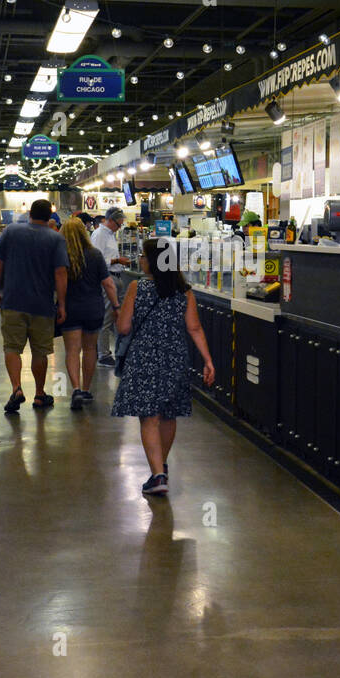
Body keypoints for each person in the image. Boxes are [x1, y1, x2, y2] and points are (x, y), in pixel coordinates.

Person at [111, 237, 214, 496]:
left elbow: (123, 327)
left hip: (144, 357)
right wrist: (208, 360)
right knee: (168, 414)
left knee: (149, 417)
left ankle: (157, 474)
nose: (141, 261)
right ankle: (161, 469)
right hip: (175, 357)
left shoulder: (137, 287)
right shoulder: (185, 291)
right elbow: (194, 328)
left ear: (153, 261)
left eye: (144, 257)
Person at [0, 198, 68, 413]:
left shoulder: (11, 231)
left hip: (13, 301)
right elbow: (60, 273)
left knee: (12, 347)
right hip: (42, 305)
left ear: (30, 213)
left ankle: (16, 389)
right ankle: (40, 394)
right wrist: (61, 304)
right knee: (40, 352)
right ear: (50, 217)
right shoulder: (56, 238)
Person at [60, 217, 119, 410]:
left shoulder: (61, 255)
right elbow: (108, 283)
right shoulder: (95, 254)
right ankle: (86, 389)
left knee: (72, 350)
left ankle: (75, 388)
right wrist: (117, 306)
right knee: (90, 349)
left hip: (70, 308)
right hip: (93, 307)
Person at [91, 207, 130, 366]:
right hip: (108, 278)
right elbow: (97, 261)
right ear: (110, 220)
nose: (119, 227)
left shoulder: (110, 235)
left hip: (116, 277)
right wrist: (117, 261)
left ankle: (117, 350)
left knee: (117, 316)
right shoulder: (99, 235)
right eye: (118, 224)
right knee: (106, 317)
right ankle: (103, 354)